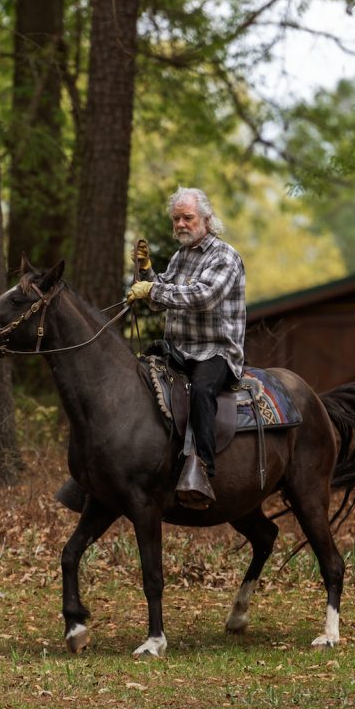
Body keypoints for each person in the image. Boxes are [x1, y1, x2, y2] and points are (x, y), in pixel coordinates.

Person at [126, 187, 246, 506]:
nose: (180, 224)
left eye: (187, 218)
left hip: (215, 351)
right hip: (178, 350)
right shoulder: (181, 256)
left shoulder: (225, 256)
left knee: (203, 391)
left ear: (206, 219)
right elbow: (158, 299)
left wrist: (152, 288)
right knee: (138, 378)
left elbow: (202, 297)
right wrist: (148, 272)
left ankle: (201, 470)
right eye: (176, 218)